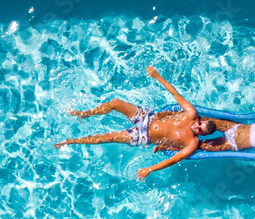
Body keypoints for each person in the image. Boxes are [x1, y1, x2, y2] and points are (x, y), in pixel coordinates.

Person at [54, 66, 219, 181]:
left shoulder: (192, 143)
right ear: (200, 121)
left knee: (106, 137)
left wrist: (149, 169)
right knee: (115, 103)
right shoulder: (191, 113)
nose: (197, 128)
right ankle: (85, 114)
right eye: (199, 124)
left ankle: (69, 141)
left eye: (200, 131)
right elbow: (175, 93)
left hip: (142, 136)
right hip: (147, 117)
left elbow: (173, 160)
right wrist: (157, 76)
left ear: (203, 134)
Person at [163, 67, 255, 202]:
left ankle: (169, 144)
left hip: (230, 143)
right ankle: (178, 123)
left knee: (199, 145)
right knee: (203, 123)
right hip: (233, 129)